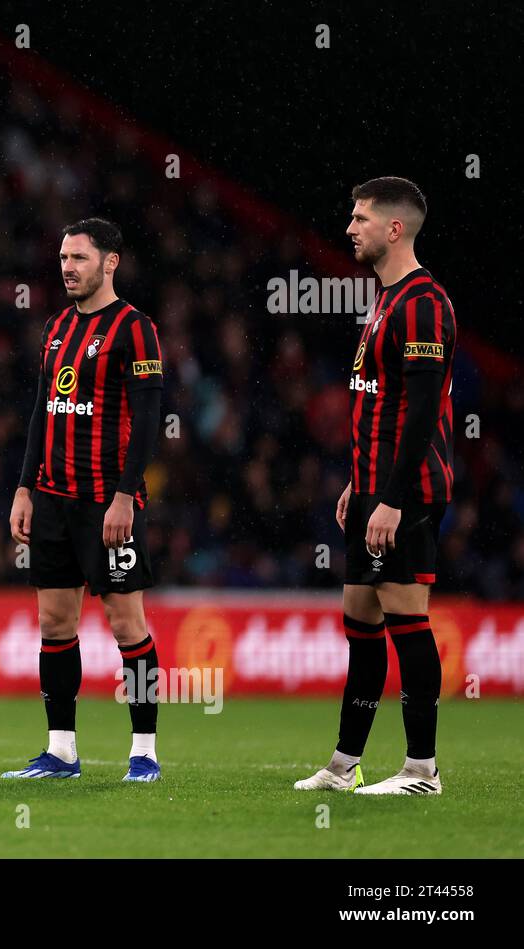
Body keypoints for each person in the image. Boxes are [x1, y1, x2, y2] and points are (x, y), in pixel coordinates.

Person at [296, 177, 455, 795]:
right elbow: (380, 404)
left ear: (395, 228)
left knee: (405, 618)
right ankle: (344, 764)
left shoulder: (422, 302)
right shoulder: (385, 300)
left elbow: (420, 414)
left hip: (407, 492)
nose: (350, 227)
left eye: (360, 217)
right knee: (359, 618)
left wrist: (389, 496)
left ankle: (422, 770)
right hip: (373, 488)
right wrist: (358, 485)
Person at [5, 218, 165, 782]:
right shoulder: (55, 328)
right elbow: (42, 412)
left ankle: (144, 751)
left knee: (127, 625)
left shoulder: (135, 329)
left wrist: (125, 496)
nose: (68, 267)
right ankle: (61, 752)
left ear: (110, 262)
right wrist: (25, 487)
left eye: (79, 257)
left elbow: (148, 419)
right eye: (63, 257)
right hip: (51, 499)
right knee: (54, 622)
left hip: (106, 503)